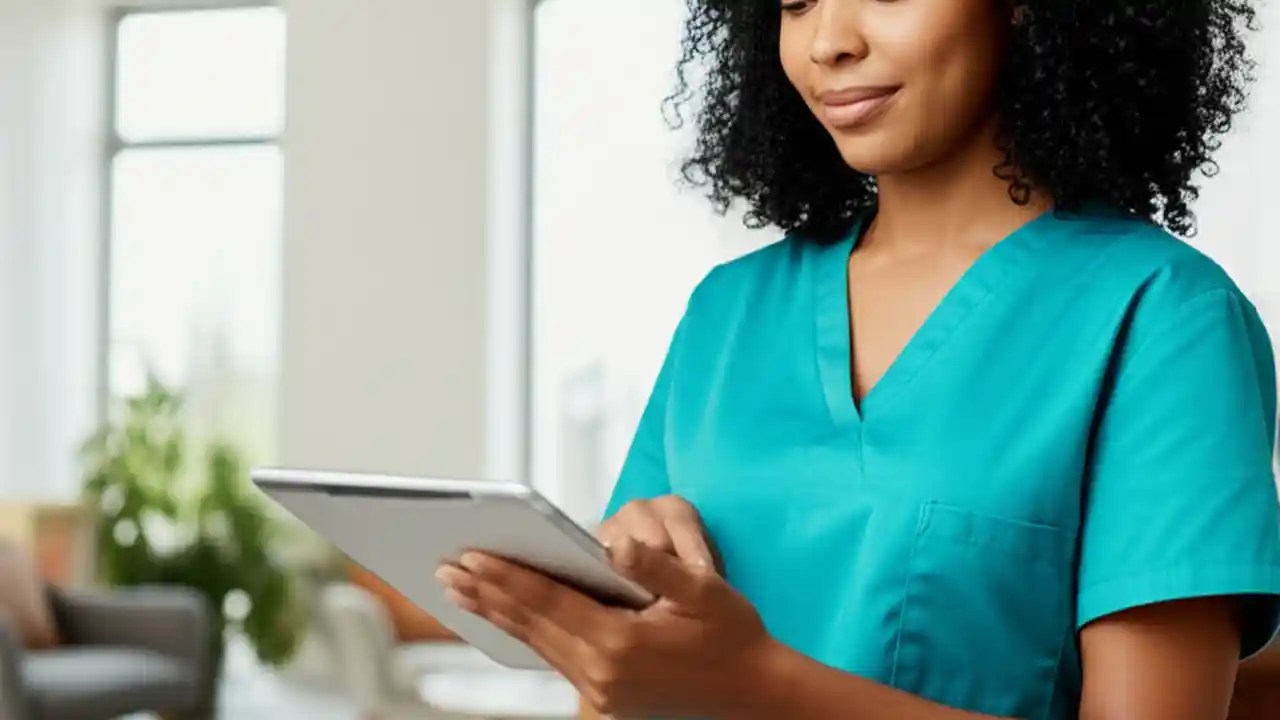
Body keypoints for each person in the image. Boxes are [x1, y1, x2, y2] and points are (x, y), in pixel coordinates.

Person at [435, 1, 1280, 717]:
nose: (828, 41)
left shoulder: (1164, 316)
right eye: (796, 1)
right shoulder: (728, 312)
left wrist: (757, 685)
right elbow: (616, 695)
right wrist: (622, 611)